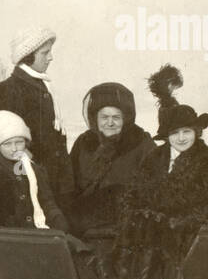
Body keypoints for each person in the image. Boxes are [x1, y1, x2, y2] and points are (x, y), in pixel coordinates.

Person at [109, 65, 208, 279]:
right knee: (126, 239)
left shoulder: (207, 163)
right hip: (151, 227)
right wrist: (134, 212)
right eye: (175, 133)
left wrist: (179, 221)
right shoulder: (156, 158)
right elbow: (134, 191)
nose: (182, 138)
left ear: (196, 133)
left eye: (187, 132)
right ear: (167, 136)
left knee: (159, 241)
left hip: (185, 233)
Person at [0, 28, 73, 209]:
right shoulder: (8, 89)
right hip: (27, 179)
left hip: (54, 180)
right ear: (28, 56)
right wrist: (23, 152)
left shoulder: (42, 85)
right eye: (45, 53)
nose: (50, 57)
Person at [66, 82, 156, 235]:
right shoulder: (84, 142)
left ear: (125, 119)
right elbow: (69, 182)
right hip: (85, 227)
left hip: (125, 228)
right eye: (104, 117)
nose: (110, 123)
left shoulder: (141, 142)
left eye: (116, 117)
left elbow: (153, 185)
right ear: (96, 119)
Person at [0, 110, 70, 232]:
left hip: (35, 231)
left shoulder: (35, 170)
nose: (14, 149)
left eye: (19, 142)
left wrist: (57, 219)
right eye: (7, 144)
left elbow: (47, 202)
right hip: (5, 233)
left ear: (26, 142)